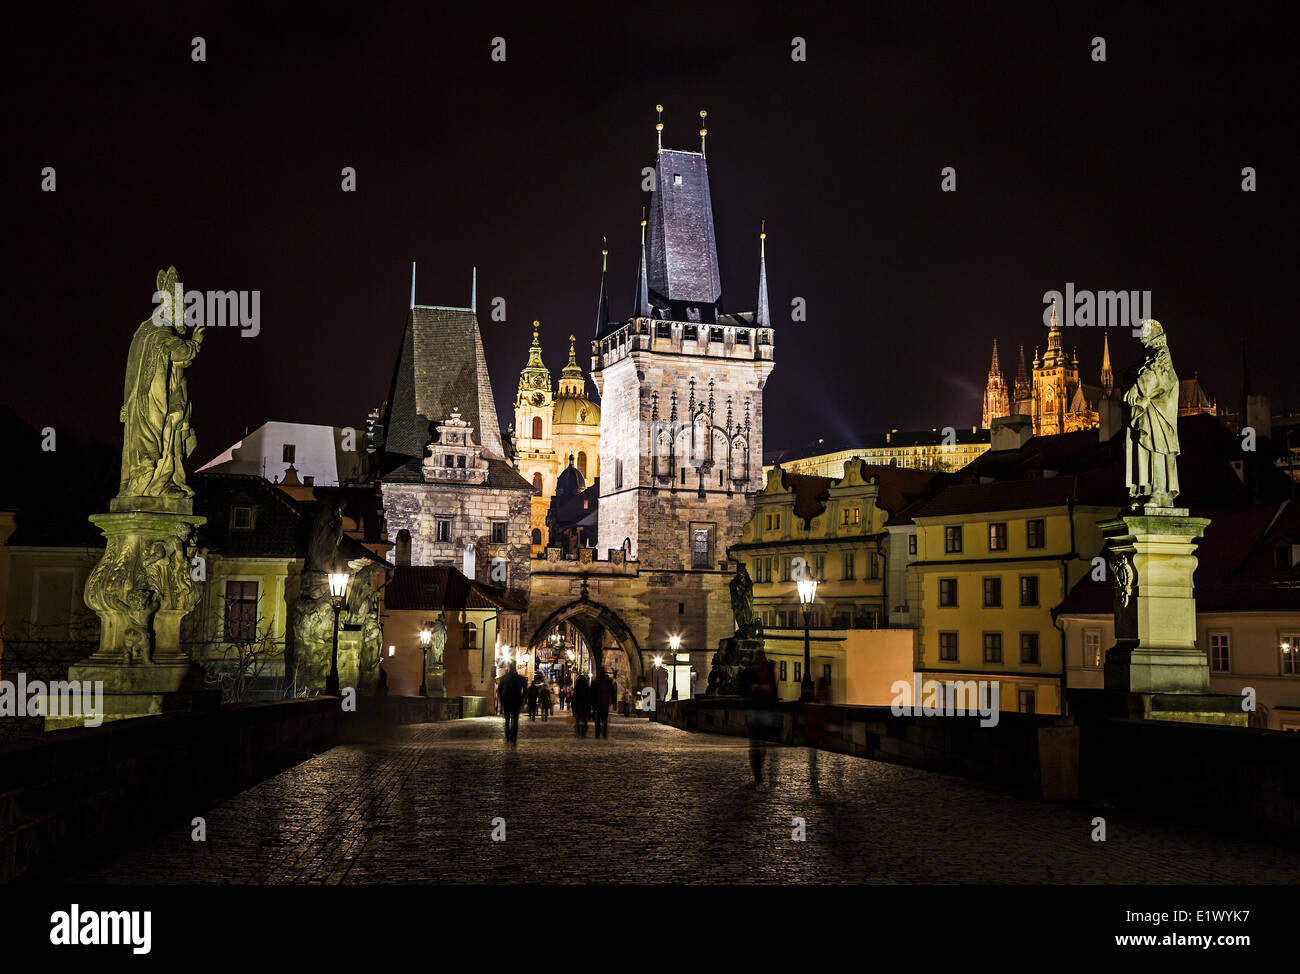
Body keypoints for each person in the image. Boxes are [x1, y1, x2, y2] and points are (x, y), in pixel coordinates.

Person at [739, 649, 779, 784]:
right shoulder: (767, 672)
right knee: (760, 742)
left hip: (756, 710)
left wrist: (754, 689)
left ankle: (757, 771)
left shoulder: (751, 672)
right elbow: (774, 692)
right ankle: (758, 770)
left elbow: (743, 690)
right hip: (763, 710)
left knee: (756, 743)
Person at [498, 663, 525, 744]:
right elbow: (525, 690)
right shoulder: (521, 678)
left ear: (509, 667)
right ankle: (513, 737)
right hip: (516, 701)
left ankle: (508, 736)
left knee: (507, 720)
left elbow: (499, 690)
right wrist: (522, 699)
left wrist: (502, 700)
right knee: (515, 721)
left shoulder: (504, 678)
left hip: (507, 701)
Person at [590, 666, 616, 739]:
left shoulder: (595, 681)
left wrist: (592, 703)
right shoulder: (608, 681)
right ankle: (604, 733)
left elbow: (591, 693)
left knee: (598, 719)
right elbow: (612, 692)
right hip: (605, 703)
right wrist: (612, 701)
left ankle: (598, 733)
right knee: (604, 719)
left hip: (598, 704)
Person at [571, 673, 591, 737]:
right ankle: (583, 732)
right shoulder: (587, 689)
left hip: (578, 707)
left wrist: (573, 708)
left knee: (578, 720)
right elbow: (589, 698)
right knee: (584, 720)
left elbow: (574, 699)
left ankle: (578, 731)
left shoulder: (577, 689)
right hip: (585, 707)